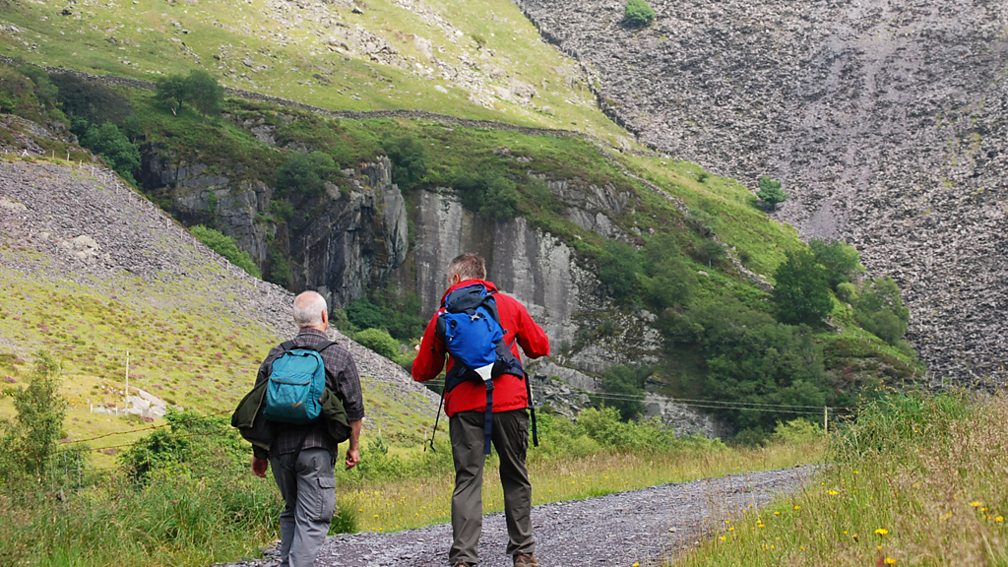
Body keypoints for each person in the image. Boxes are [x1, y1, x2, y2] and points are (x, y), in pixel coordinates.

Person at [413, 253, 550, 567]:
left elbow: (423, 371)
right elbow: (540, 347)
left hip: (465, 407)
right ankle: (523, 552)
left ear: (455, 279)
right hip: (510, 402)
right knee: (515, 474)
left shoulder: (443, 315)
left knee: (468, 479)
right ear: (482, 276)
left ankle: (464, 558)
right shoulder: (509, 305)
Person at [250, 291, 364, 567]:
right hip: (317, 450)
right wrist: (354, 448)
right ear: (325, 316)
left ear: (296, 319)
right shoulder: (339, 355)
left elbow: (258, 408)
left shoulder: (277, 354)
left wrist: (259, 454)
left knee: (293, 510)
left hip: (279, 452)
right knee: (313, 516)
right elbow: (354, 409)